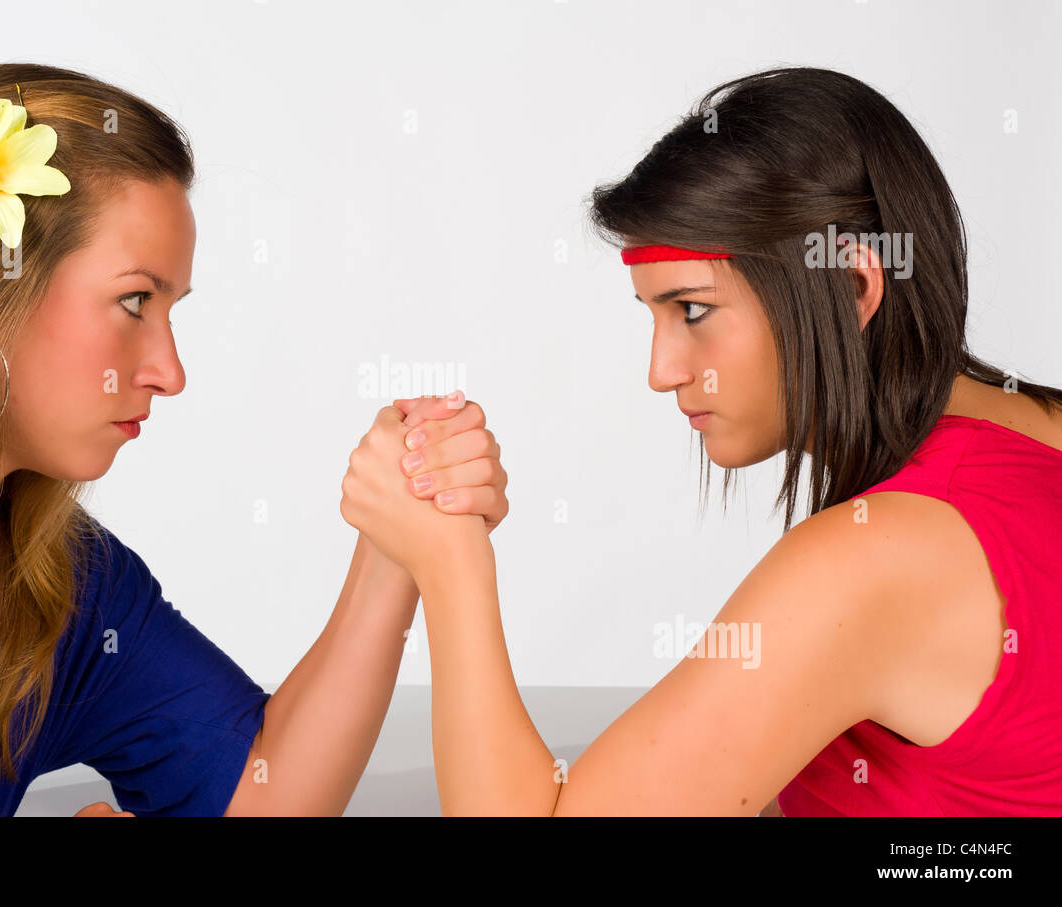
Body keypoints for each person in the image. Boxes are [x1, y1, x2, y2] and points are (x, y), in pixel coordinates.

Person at [0, 63, 509, 816]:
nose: (170, 371)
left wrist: (397, 533)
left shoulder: (55, 579)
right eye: (133, 300)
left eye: (170, 308)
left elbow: (259, 793)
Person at [339, 66, 1062, 815]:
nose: (660, 371)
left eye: (691, 309)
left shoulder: (881, 554)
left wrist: (448, 556)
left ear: (850, 289)